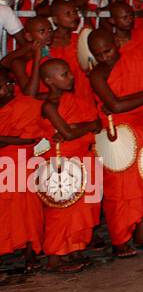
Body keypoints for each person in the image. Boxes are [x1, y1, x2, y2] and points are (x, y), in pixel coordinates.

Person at [86, 28, 143, 257]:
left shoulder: (137, 61)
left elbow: (119, 103)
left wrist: (126, 102)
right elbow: (116, 106)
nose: (104, 57)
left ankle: (141, 233)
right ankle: (120, 239)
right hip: (114, 136)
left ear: (117, 43)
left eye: (107, 51)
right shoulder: (97, 74)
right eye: (98, 54)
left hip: (141, 129)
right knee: (118, 191)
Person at [37, 58, 100, 272]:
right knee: (61, 210)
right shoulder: (49, 105)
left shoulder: (76, 100)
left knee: (82, 209)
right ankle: (54, 259)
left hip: (83, 158)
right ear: (49, 81)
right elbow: (68, 133)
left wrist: (80, 126)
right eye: (64, 74)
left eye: (69, 72)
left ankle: (73, 249)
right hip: (60, 163)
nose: (71, 77)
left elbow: (97, 124)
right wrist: (86, 126)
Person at [0, 66, 46, 272]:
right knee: (5, 213)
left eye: (10, 84)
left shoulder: (25, 105)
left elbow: (29, 139)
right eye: (3, 86)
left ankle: (31, 252)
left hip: (22, 164)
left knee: (29, 212)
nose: (9, 89)